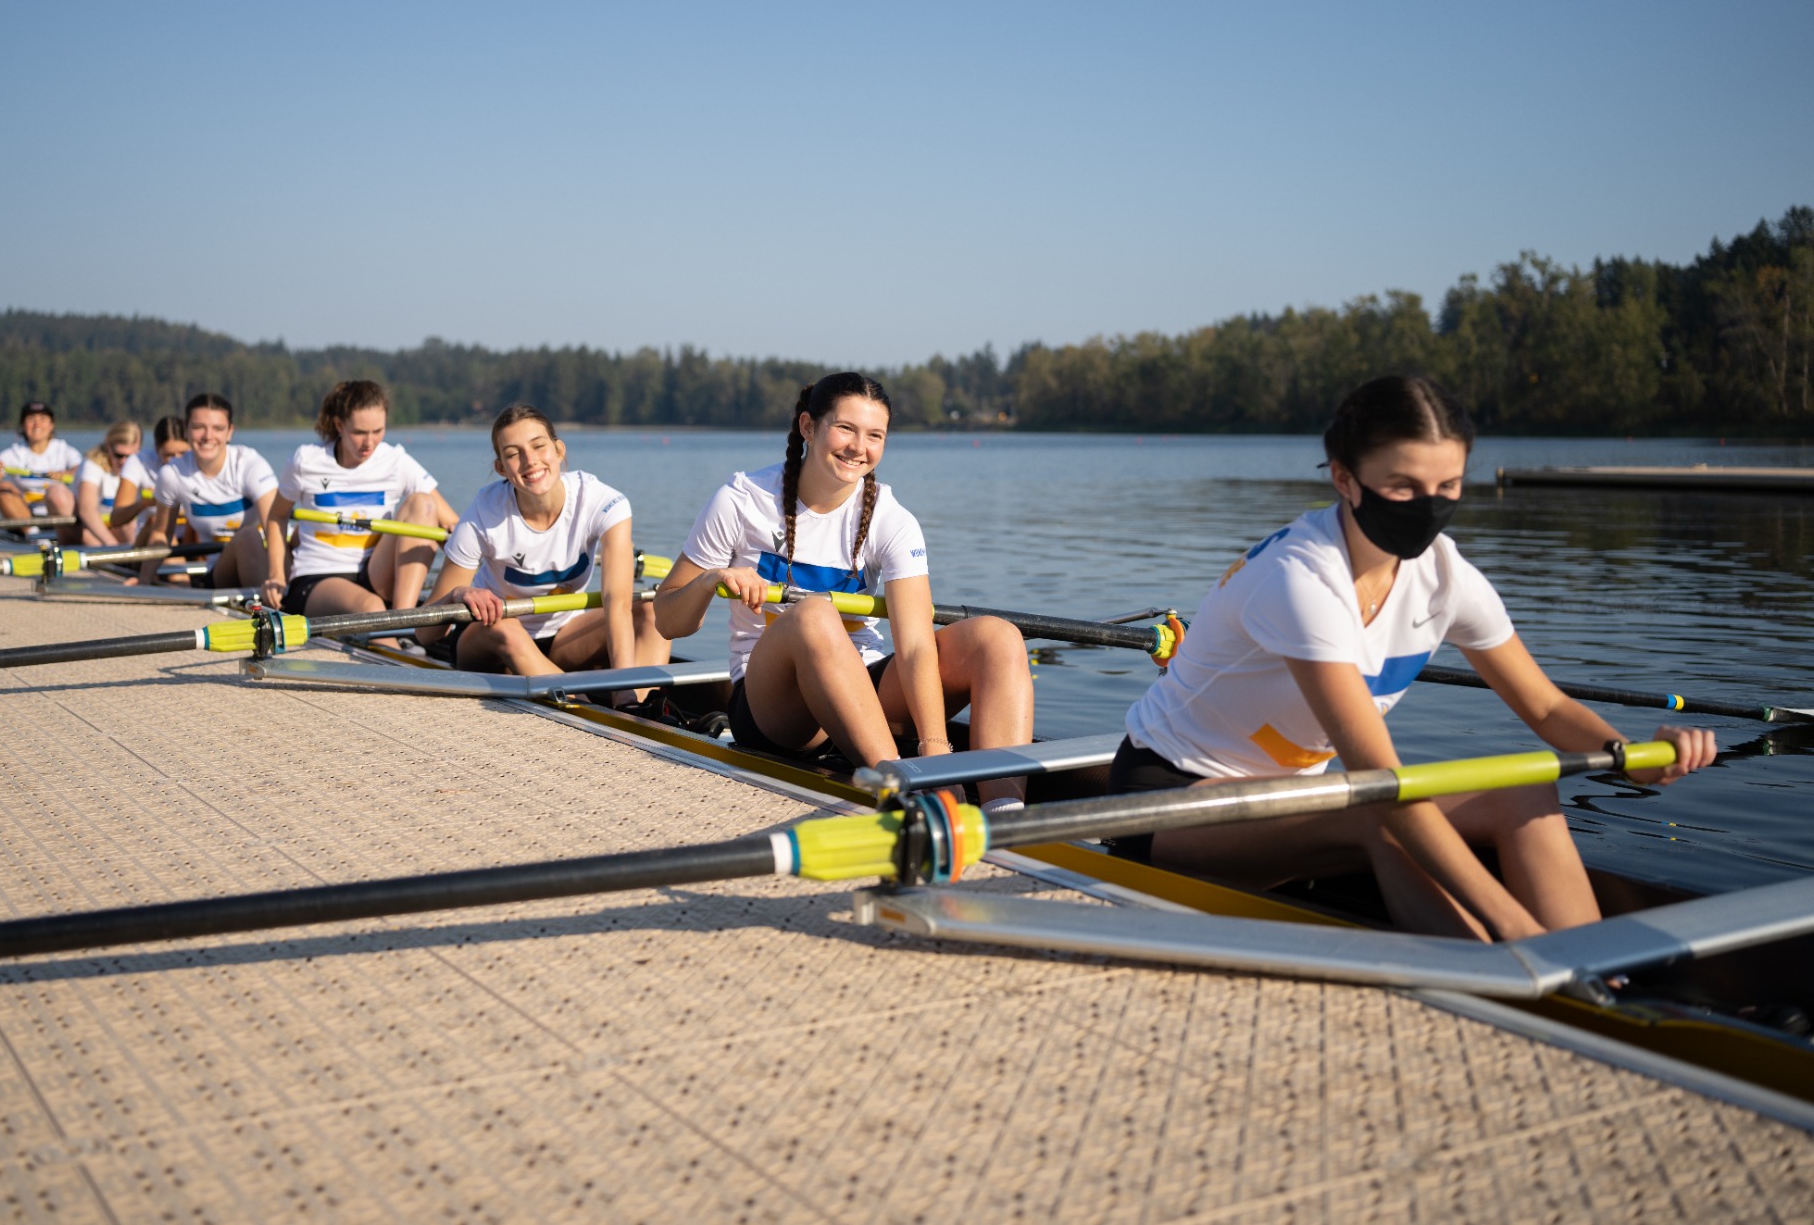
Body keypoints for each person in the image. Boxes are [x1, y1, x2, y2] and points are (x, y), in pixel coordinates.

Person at [1112, 374, 1716, 940]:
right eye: (1402, 487)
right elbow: (1378, 779)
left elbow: (1546, 705)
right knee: (1386, 808)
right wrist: (1519, 931)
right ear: (1344, 478)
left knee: (1527, 790)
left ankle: (1604, 972)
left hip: (1293, 802)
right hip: (1171, 801)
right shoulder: (1299, 579)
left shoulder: (1447, 577)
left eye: (1447, 487)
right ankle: (1527, 971)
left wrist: (1631, 758)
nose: (1428, 506)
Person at [652, 372, 1035, 808]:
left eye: (875, 435)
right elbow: (667, 620)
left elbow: (914, 647)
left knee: (999, 638)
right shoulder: (741, 499)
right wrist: (709, 580)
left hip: (867, 690)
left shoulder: (893, 519)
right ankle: (903, 788)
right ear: (809, 427)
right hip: (776, 707)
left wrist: (934, 749)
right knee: (814, 615)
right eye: (846, 428)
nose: (859, 447)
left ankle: (1004, 813)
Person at [418, 404, 666, 681]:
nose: (530, 460)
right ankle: (581, 704)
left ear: (559, 450)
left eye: (538, 446)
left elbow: (616, 603)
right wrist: (458, 594)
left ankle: (639, 706)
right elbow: (426, 634)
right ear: (501, 468)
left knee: (654, 611)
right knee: (507, 628)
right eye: (513, 454)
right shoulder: (482, 515)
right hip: (488, 643)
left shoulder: (603, 502)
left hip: (562, 638)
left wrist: (624, 692)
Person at [261, 380, 456, 623]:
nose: (369, 443)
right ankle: (397, 633)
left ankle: (405, 621)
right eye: (360, 433)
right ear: (339, 425)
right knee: (372, 606)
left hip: (375, 572)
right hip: (319, 577)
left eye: (378, 431)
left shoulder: (395, 460)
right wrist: (276, 575)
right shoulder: (307, 461)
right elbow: (277, 517)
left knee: (424, 503)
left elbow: (452, 524)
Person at [139, 394, 277, 589]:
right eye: (198, 427)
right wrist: (144, 580)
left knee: (261, 537)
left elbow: (275, 526)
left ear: (230, 432)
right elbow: (161, 534)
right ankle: (273, 608)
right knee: (247, 537)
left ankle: (280, 596)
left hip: (270, 561)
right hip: (221, 570)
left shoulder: (249, 464)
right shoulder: (172, 474)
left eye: (218, 428)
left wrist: (279, 576)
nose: (207, 436)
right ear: (186, 430)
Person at [0, 401, 83, 533]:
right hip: (25, 515)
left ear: (51, 425)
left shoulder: (64, 450)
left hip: (58, 515)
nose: (37, 424)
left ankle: (66, 534)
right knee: (3, 488)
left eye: (42, 419)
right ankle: (33, 535)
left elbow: (83, 472)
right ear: (23, 425)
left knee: (57, 491)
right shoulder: (13, 454)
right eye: (31, 419)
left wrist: (68, 474)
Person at [73, 421, 156, 546]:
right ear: (108, 445)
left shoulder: (142, 464)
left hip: (125, 531)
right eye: (119, 455)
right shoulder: (91, 465)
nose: (124, 462)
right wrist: (112, 545)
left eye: (130, 456)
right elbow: (87, 510)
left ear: (139, 449)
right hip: (95, 531)